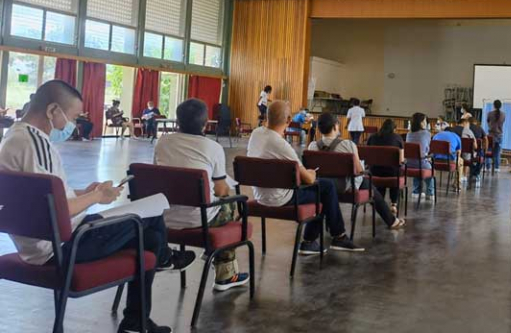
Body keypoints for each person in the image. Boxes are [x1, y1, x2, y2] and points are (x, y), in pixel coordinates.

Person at [0, 80, 194, 333]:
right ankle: (163, 264)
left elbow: (45, 197)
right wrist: (97, 197)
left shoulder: (14, 138)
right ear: (52, 111)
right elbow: (54, 214)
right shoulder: (36, 143)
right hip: (61, 246)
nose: (73, 124)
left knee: (149, 237)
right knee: (152, 217)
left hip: (46, 243)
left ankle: (141, 312)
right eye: (72, 117)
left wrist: (85, 192)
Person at [154, 99, 250, 292]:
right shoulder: (212, 148)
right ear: (206, 124)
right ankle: (225, 273)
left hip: (162, 218)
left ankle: (213, 254)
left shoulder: (162, 142)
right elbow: (221, 190)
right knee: (232, 205)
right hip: (199, 219)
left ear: (177, 122)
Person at [247, 100, 362, 253]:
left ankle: (312, 241)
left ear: (267, 116)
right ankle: (336, 237)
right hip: (280, 198)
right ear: (288, 120)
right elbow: (308, 179)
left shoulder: (256, 134)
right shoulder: (281, 145)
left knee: (322, 188)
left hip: (260, 194)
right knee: (326, 188)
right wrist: (312, 173)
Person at [307, 113, 405, 230]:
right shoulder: (348, 145)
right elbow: (359, 170)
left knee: (368, 185)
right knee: (369, 187)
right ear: (334, 127)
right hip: (344, 186)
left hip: (320, 186)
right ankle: (392, 221)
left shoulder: (312, 146)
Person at [367, 119, 405, 215]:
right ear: (394, 129)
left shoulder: (372, 137)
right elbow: (401, 160)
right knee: (396, 170)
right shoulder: (398, 138)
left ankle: (380, 201)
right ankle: (393, 204)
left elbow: (367, 156)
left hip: (374, 172)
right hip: (392, 173)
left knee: (381, 169)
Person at [406, 112, 434, 201]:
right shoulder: (426, 133)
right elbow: (427, 149)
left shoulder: (408, 133)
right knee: (428, 168)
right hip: (421, 162)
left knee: (417, 162)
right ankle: (430, 193)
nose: (426, 123)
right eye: (425, 121)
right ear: (421, 122)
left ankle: (416, 191)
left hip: (408, 163)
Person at [432, 126, 463, 191]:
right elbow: (459, 152)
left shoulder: (436, 135)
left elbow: (432, 147)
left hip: (435, 161)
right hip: (450, 161)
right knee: (461, 161)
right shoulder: (456, 136)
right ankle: (457, 185)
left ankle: (431, 184)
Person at [486, 100, 506, 172]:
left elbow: (488, 121)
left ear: (493, 105)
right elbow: (503, 122)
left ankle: (487, 167)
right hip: (499, 135)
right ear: (500, 106)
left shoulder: (490, 114)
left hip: (491, 135)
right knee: (497, 152)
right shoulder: (503, 114)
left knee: (488, 150)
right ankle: (497, 167)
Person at [458, 117, 478, 182]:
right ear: (465, 123)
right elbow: (475, 146)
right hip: (466, 155)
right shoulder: (469, 131)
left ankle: (458, 175)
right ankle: (464, 176)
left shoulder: (454, 130)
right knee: (468, 153)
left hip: (456, 154)